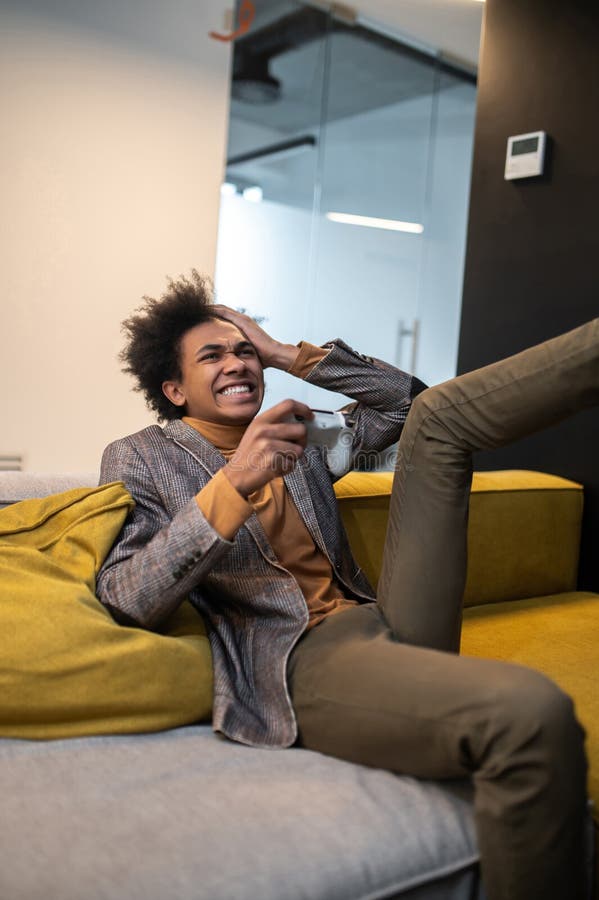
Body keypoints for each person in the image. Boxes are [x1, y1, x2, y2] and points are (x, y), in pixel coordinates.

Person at [97, 270, 598, 900]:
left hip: (384, 613)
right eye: (214, 355)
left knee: (437, 416)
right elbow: (129, 595)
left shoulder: (301, 438)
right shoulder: (139, 457)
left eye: (245, 350)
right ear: (173, 388)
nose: (238, 362)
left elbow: (405, 402)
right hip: (299, 655)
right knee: (532, 713)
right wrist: (235, 483)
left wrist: (287, 353)